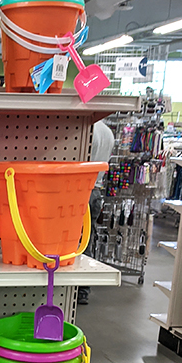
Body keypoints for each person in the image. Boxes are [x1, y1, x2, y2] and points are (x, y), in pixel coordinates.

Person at [78, 120, 114, 306]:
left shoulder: (86, 128)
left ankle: (71, 287)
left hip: (80, 189)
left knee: (71, 242)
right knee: (88, 239)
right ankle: (83, 290)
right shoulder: (108, 132)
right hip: (96, 190)